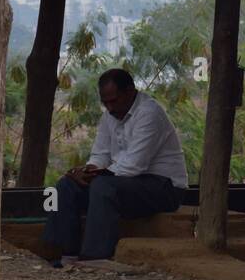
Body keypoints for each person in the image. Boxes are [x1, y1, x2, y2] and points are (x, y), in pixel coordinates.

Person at [42, 68, 187, 265]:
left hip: (165, 188)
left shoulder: (150, 113)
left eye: (114, 101)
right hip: (127, 183)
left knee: (103, 187)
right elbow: (100, 154)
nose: (109, 108)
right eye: (105, 102)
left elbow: (134, 166)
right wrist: (88, 171)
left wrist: (96, 176)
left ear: (130, 92)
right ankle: (66, 254)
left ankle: (95, 258)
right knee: (65, 186)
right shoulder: (110, 115)